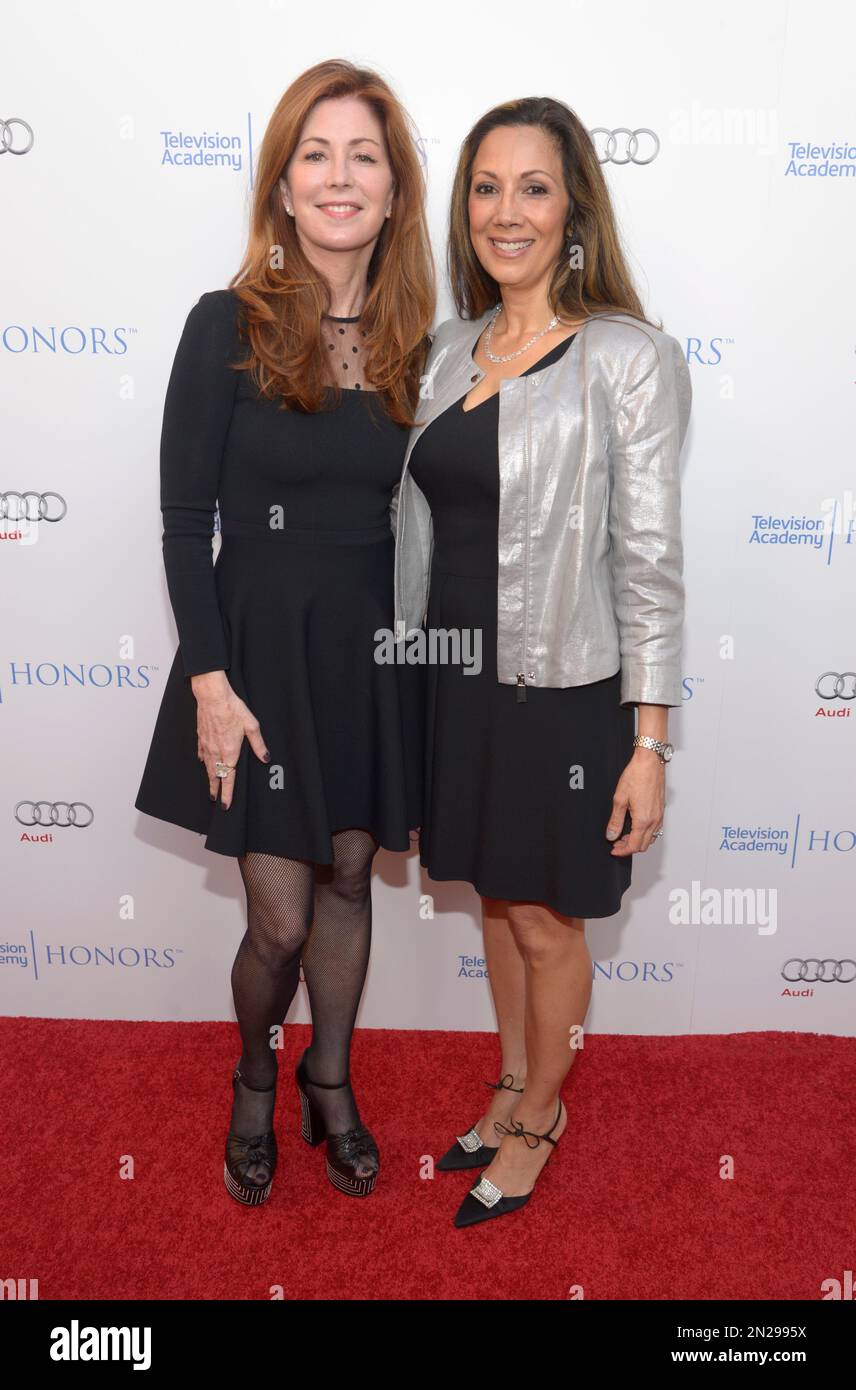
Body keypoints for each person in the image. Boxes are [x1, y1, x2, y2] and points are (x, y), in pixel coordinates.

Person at [134, 59, 434, 1205]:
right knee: (276, 915)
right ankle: (254, 1081)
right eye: (316, 153)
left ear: (395, 191)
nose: (339, 176)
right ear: (282, 185)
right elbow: (180, 521)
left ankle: (332, 1079)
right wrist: (209, 678)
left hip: (370, 657)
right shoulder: (226, 325)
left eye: (364, 155)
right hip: (254, 657)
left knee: (353, 869)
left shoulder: (422, 344)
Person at [393, 96, 692, 1226]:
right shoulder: (445, 351)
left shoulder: (625, 358)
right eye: (483, 186)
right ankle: (512, 1080)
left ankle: (538, 1120)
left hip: (562, 691)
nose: (503, 211)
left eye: (531, 187)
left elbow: (651, 560)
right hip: (455, 676)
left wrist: (648, 740)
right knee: (491, 895)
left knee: (542, 918)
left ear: (574, 210)